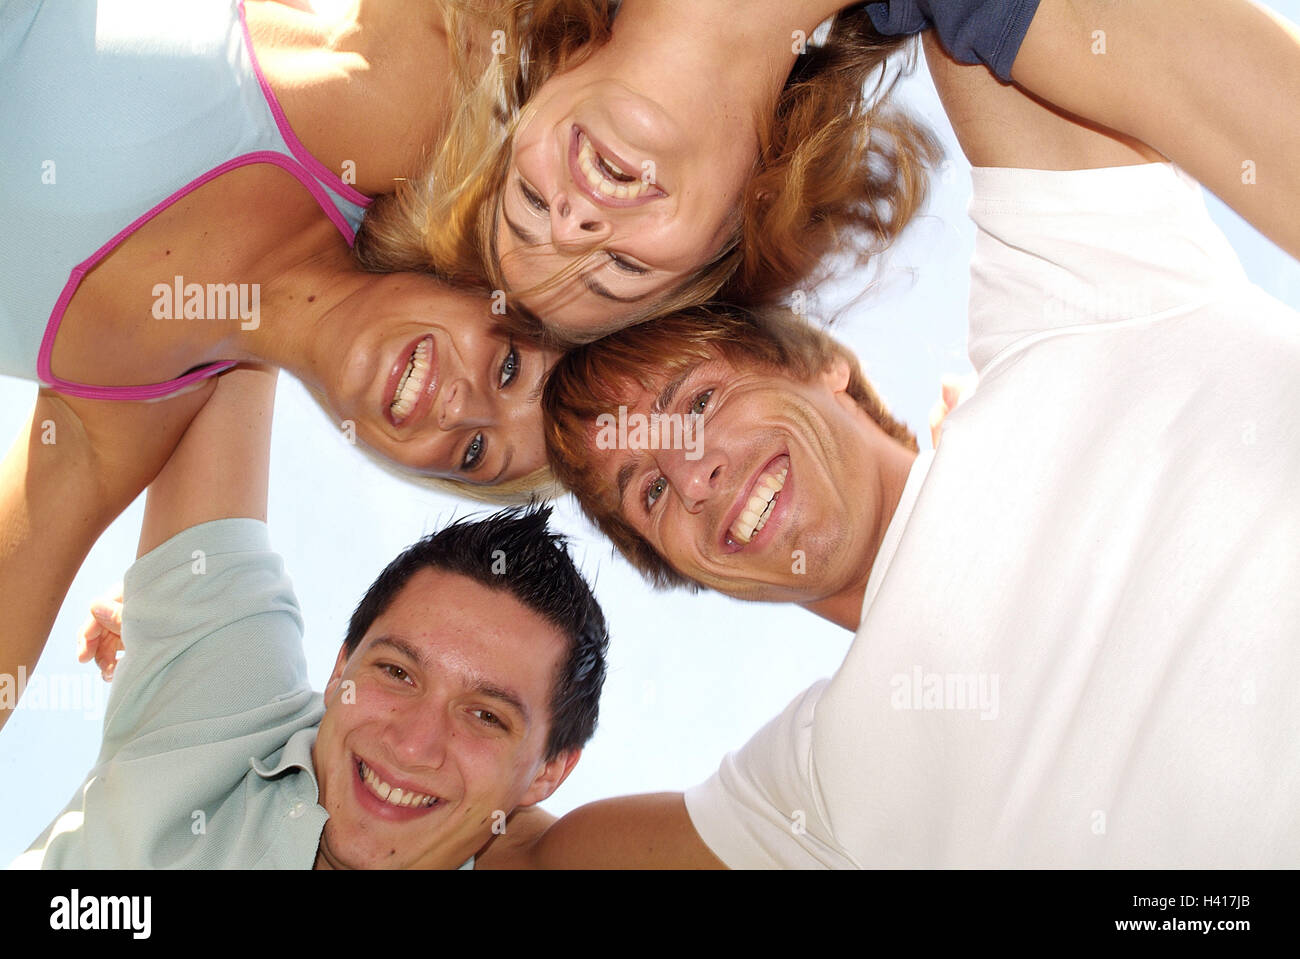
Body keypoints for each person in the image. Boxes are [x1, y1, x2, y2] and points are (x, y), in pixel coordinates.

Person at [517, 20, 1300, 867]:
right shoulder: (809, 792)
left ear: (823, 366)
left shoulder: (1069, 299)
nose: (693, 472)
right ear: (674, 569)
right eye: (650, 493)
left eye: (701, 400)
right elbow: (523, 852)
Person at [365, 0, 1300, 342]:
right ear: (737, 224)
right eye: (621, 267)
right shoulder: (996, 21)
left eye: (529, 205)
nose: (574, 226)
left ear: (533, 92)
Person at [11, 368, 608, 869]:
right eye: (397, 673)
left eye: (485, 716)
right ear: (342, 665)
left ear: (548, 773)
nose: (412, 744)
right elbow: (226, 326)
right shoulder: (229, 701)